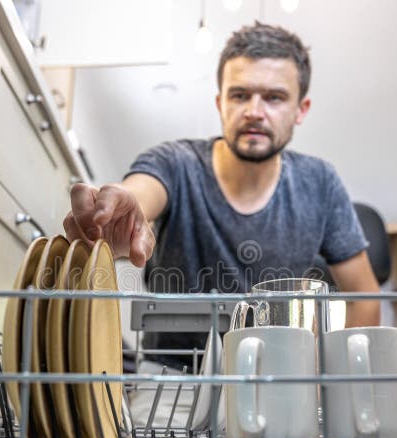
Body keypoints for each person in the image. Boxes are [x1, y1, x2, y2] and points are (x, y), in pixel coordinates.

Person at [64, 22, 380, 357]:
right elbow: (140, 194)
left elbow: (365, 298)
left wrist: (321, 376)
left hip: (279, 380)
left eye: (274, 98)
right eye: (240, 95)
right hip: (171, 381)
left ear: (301, 109)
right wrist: (122, 213)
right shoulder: (174, 162)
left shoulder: (321, 184)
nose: (254, 112)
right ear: (220, 103)